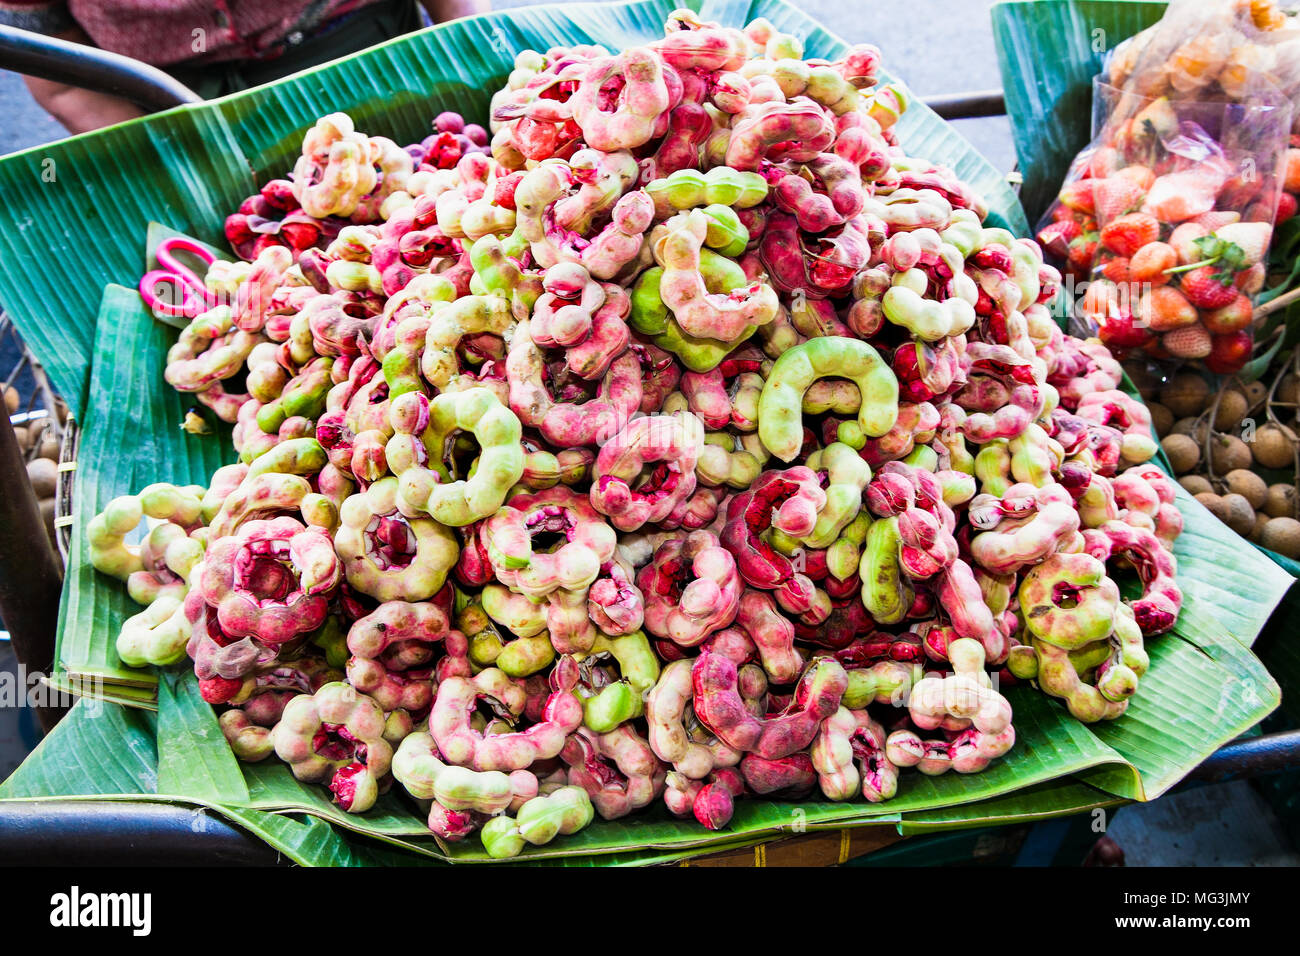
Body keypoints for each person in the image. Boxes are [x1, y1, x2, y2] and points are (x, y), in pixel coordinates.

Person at [1, 0, 489, 133]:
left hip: (356, 44)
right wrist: (178, 166)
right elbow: (64, 83)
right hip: (163, 91)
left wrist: (466, 58)